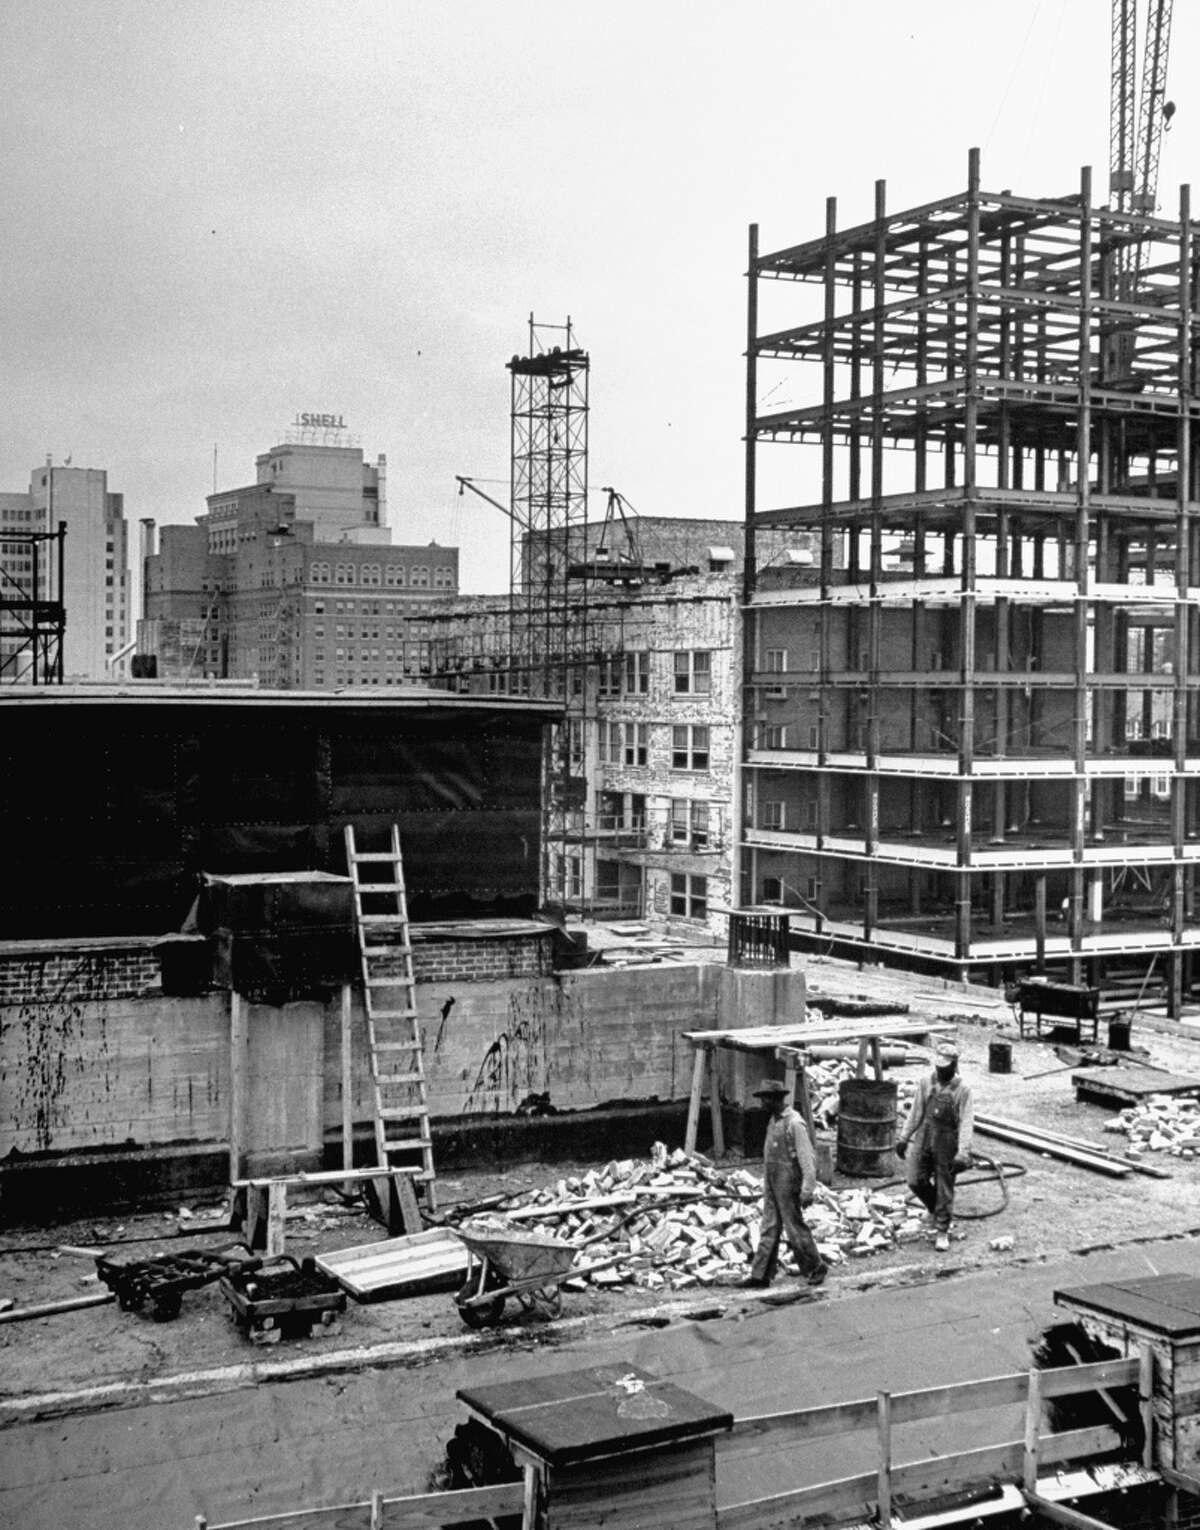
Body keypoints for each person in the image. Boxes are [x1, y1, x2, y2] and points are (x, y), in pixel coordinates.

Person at [743, 1079, 827, 1289]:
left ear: (775, 1100)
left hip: (789, 1182)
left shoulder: (794, 1123)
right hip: (772, 1180)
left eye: (765, 1099)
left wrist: (807, 1189)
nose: (762, 1103)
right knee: (769, 1226)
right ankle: (760, 1275)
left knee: (794, 1227)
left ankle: (816, 1267)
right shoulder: (773, 1121)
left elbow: (808, 1160)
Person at [895, 1040, 975, 1252]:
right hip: (924, 1136)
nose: (941, 1071)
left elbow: (966, 1123)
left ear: (954, 1065)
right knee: (914, 1179)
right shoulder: (926, 1083)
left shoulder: (963, 1090)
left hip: (947, 1141)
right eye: (938, 1067)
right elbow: (915, 1112)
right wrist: (904, 1137)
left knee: (944, 1186)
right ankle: (933, 1208)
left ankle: (942, 1229)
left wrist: (962, 1153)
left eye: (945, 1068)